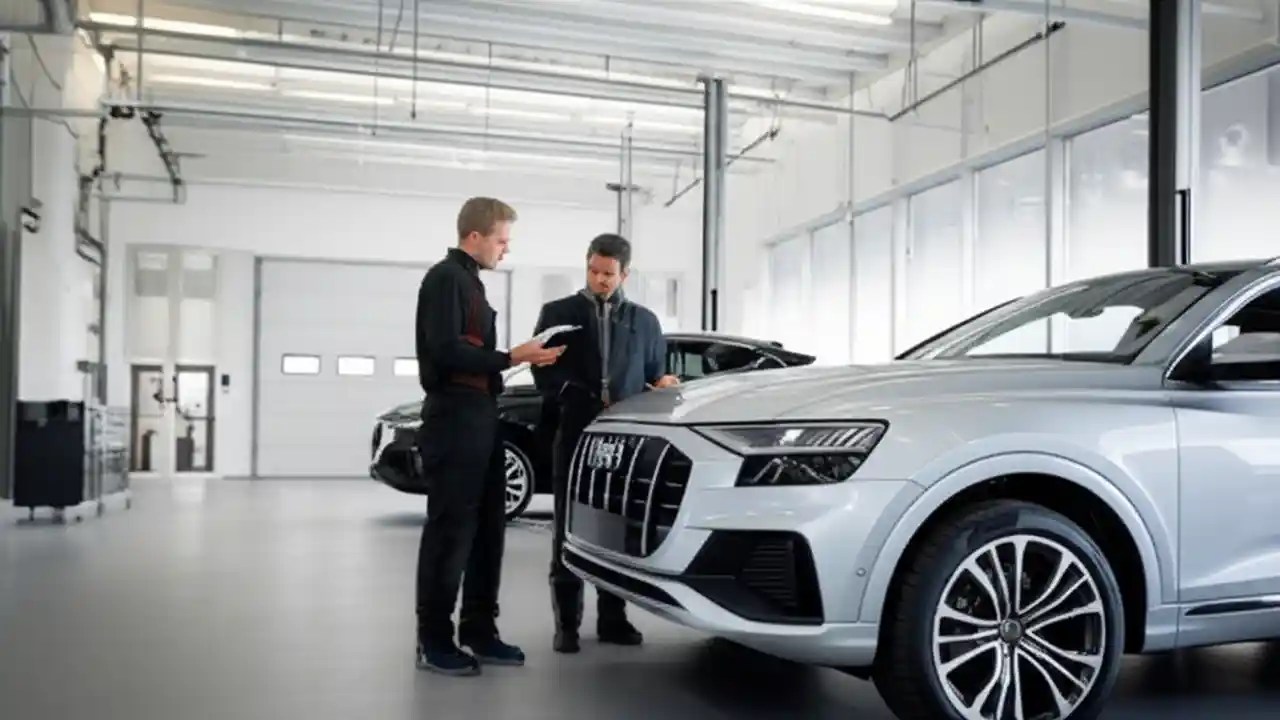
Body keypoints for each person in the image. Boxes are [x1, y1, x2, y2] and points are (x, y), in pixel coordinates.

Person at [414, 197, 564, 676]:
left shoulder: (471, 283)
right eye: (501, 240)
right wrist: (511, 357)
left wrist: (515, 361)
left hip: (481, 416)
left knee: (488, 529)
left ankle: (479, 629)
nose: (506, 249)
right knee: (450, 532)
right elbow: (446, 349)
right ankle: (433, 639)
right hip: (454, 417)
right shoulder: (444, 279)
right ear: (474, 237)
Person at [531, 233, 680, 654]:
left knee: (618, 529)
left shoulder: (646, 322)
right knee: (568, 525)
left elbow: (656, 373)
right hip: (576, 435)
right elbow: (543, 374)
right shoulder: (558, 313)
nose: (600, 279)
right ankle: (567, 625)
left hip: (624, 442)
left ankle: (613, 618)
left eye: (608, 274)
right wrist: (570, 398)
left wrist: (663, 384)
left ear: (625, 274)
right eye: (594, 270)